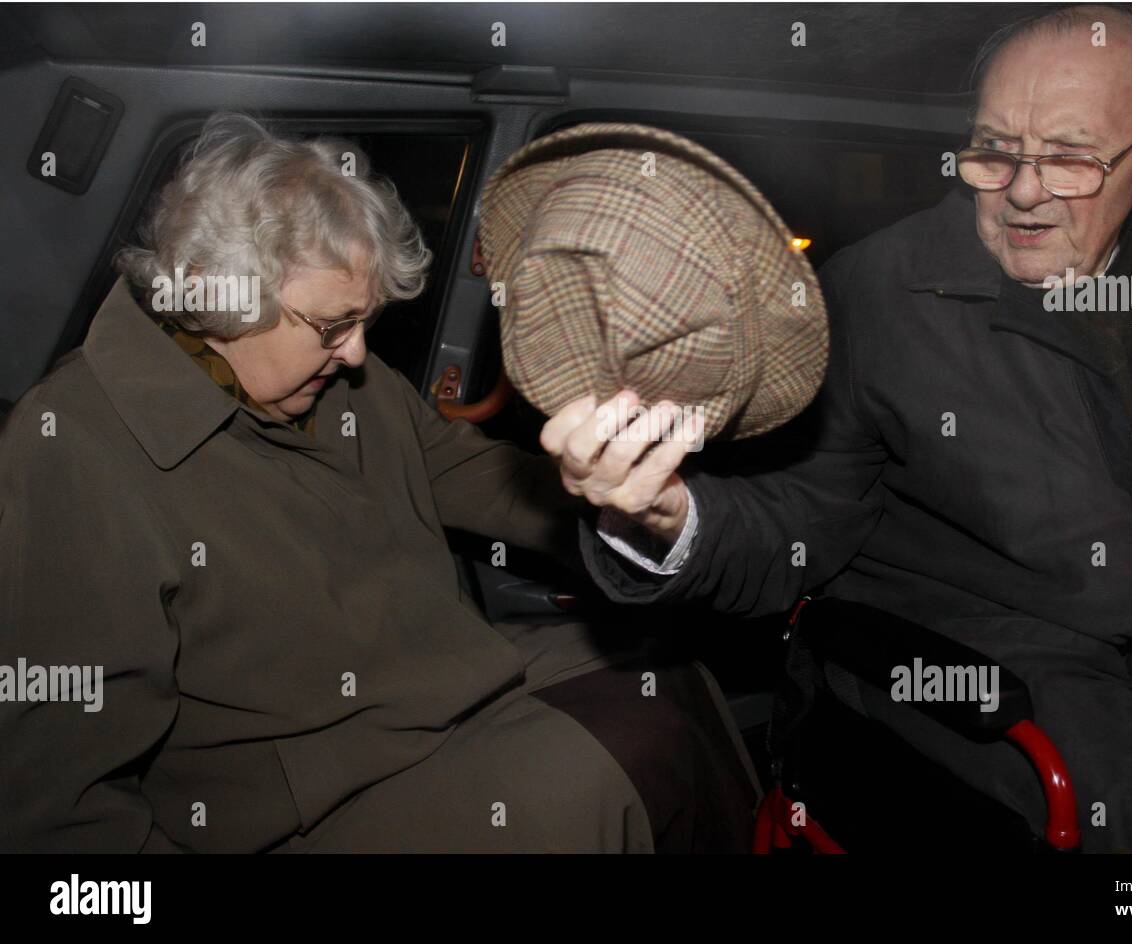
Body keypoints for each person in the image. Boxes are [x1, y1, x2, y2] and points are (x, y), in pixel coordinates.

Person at [549, 5, 1132, 853]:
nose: (1021, 189)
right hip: (1020, 728)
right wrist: (666, 519)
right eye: (995, 149)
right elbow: (794, 523)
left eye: (1068, 157)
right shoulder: (880, 295)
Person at [0, 112, 759, 853]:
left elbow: (471, 472)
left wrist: (616, 497)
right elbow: (59, 792)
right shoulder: (75, 448)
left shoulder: (331, 382)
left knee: (668, 677)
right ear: (215, 292)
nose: (359, 354)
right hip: (302, 790)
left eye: (365, 323)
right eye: (333, 327)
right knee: (612, 765)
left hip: (426, 681)